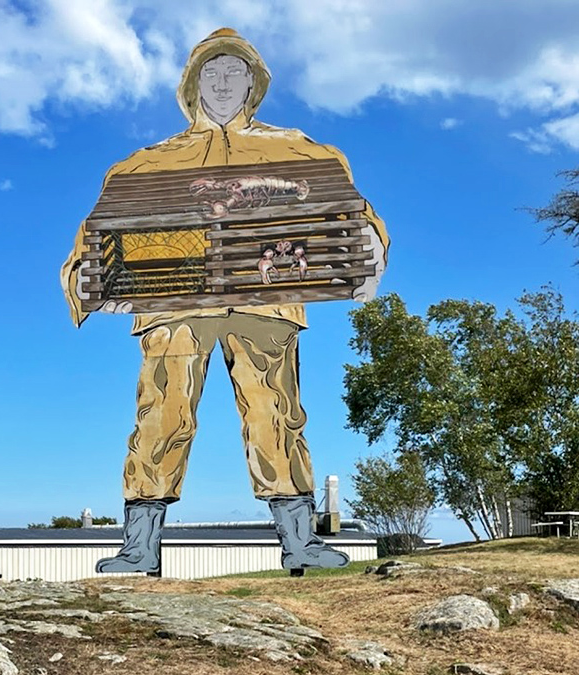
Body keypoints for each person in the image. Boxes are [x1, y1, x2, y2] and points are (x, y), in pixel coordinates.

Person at [60, 28, 389, 576]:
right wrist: (81, 279)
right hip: (174, 309)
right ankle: (139, 549)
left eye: (233, 70)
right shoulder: (144, 164)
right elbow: (97, 233)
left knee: (276, 415)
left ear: (253, 83)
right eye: (209, 72)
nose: (221, 81)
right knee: (161, 415)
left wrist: (371, 245)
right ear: (191, 86)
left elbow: (354, 212)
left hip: (267, 305)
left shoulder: (299, 150)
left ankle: (300, 542)